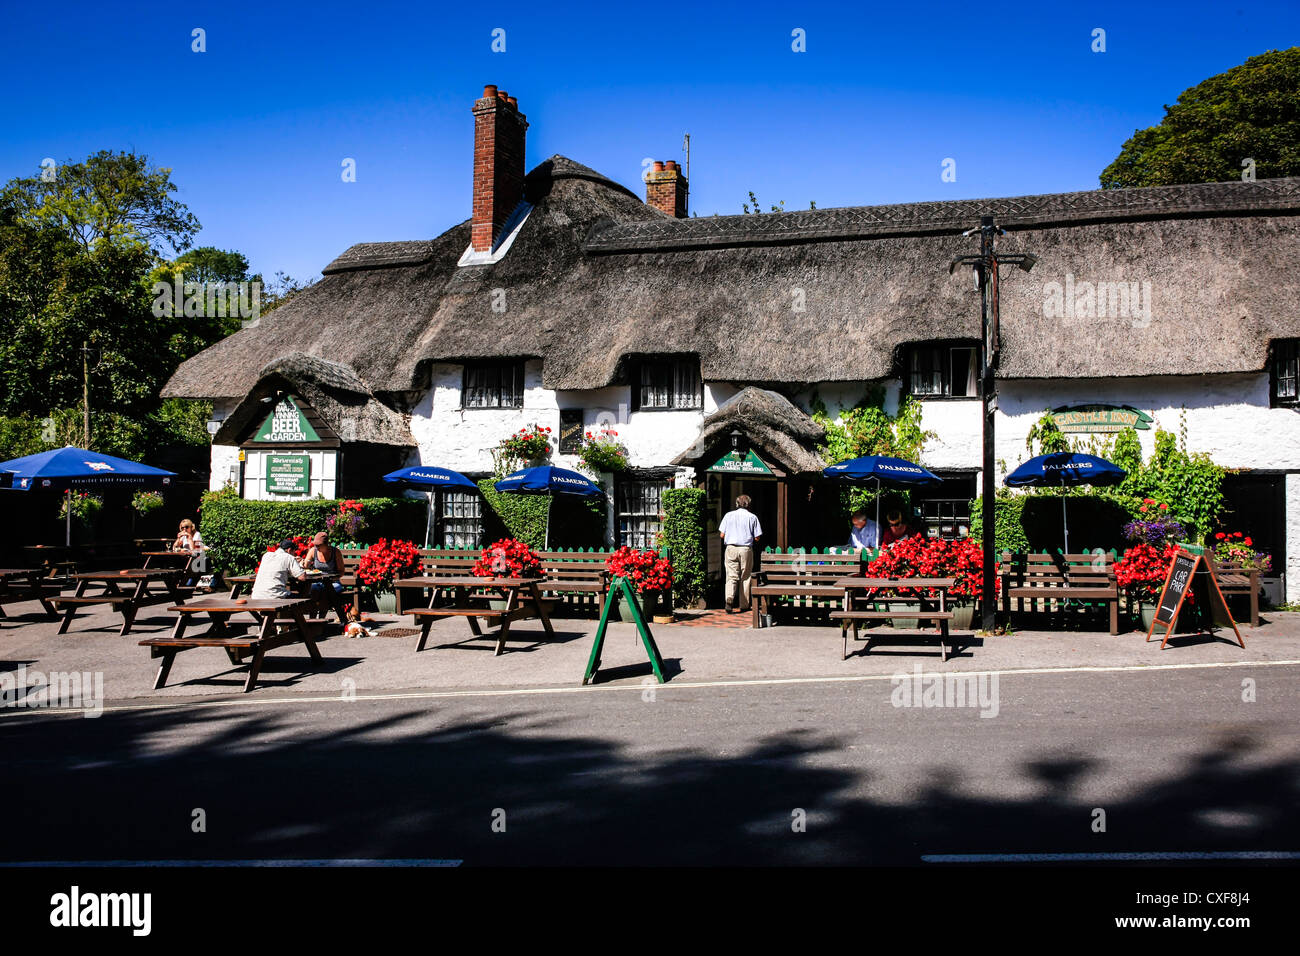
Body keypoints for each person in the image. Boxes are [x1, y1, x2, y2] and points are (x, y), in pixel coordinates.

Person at [718, 494, 762, 613]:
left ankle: (729, 599)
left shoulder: (728, 515)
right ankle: (744, 604)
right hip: (745, 549)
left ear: (737, 504)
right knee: (745, 576)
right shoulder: (752, 517)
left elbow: (722, 535)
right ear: (748, 505)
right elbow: (757, 537)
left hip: (731, 548)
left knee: (731, 575)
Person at [302, 531, 346, 614]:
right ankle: (313, 619)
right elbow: (305, 566)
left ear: (326, 544)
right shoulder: (313, 551)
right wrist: (306, 563)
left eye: (319, 545)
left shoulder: (335, 552)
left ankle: (321, 620)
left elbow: (341, 571)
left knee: (325, 591)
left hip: (333, 582)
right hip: (317, 581)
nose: (316, 547)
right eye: (315, 545)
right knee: (313, 590)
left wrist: (332, 578)